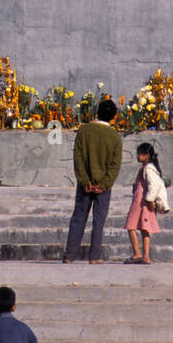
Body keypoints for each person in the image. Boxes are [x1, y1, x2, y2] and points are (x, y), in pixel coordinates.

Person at [63, 96, 122, 263]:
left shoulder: (84, 131)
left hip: (85, 185)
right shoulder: (115, 137)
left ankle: (69, 255)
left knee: (78, 218)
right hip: (103, 187)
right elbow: (114, 166)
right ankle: (95, 256)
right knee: (99, 221)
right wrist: (103, 185)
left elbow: (78, 158)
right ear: (113, 116)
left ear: (97, 112)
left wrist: (85, 181)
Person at [124, 142, 168, 264]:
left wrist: (149, 199)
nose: (138, 156)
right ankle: (146, 256)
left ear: (147, 155)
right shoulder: (147, 168)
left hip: (141, 201)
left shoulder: (148, 169)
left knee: (131, 226)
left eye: (140, 154)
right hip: (144, 201)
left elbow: (155, 185)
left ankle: (137, 253)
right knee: (144, 229)